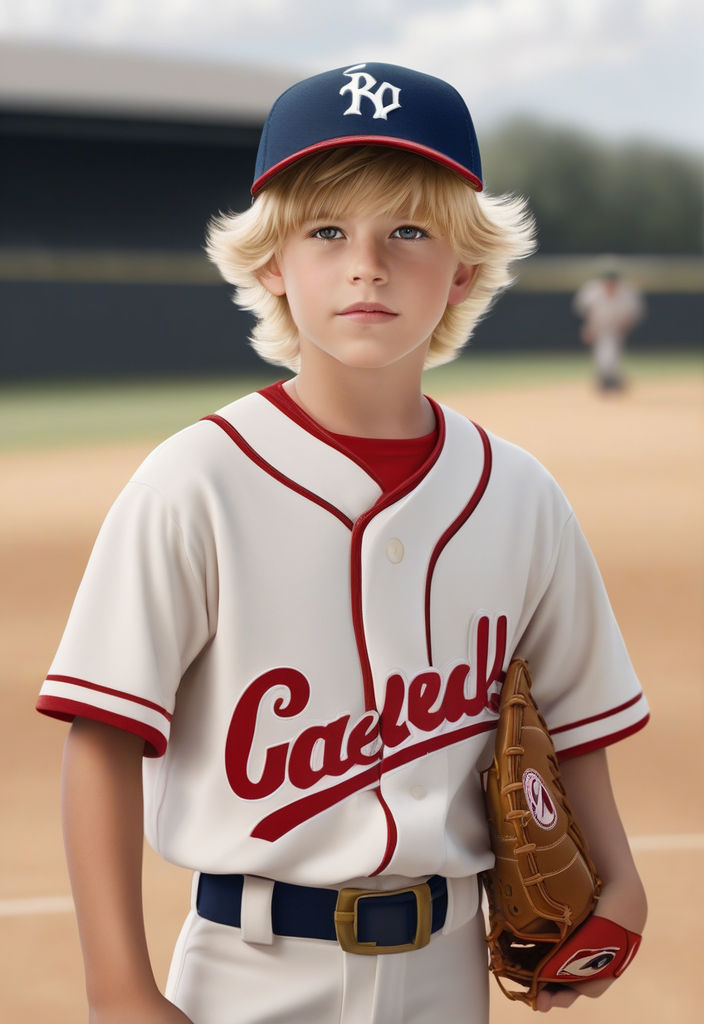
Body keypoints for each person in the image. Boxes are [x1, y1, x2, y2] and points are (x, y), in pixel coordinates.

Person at [37, 63, 648, 1023]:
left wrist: (618, 881)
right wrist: (118, 986)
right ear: (273, 262)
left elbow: (571, 726)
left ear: (465, 269)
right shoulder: (195, 482)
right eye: (327, 231)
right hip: (248, 971)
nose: (368, 263)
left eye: (409, 230)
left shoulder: (520, 495)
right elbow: (105, 736)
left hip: (449, 976)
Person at [573, 262, 645, 390]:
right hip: (599, 325)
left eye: (613, 281)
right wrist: (589, 327)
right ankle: (609, 379)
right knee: (604, 354)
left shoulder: (627, 293)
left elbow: (633, 315)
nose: (610, 284)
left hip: (616, 326)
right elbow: (587, 310)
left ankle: (610, 379)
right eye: (607, 281)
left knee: (611, 353)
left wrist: (624, 329)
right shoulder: (592, 291)